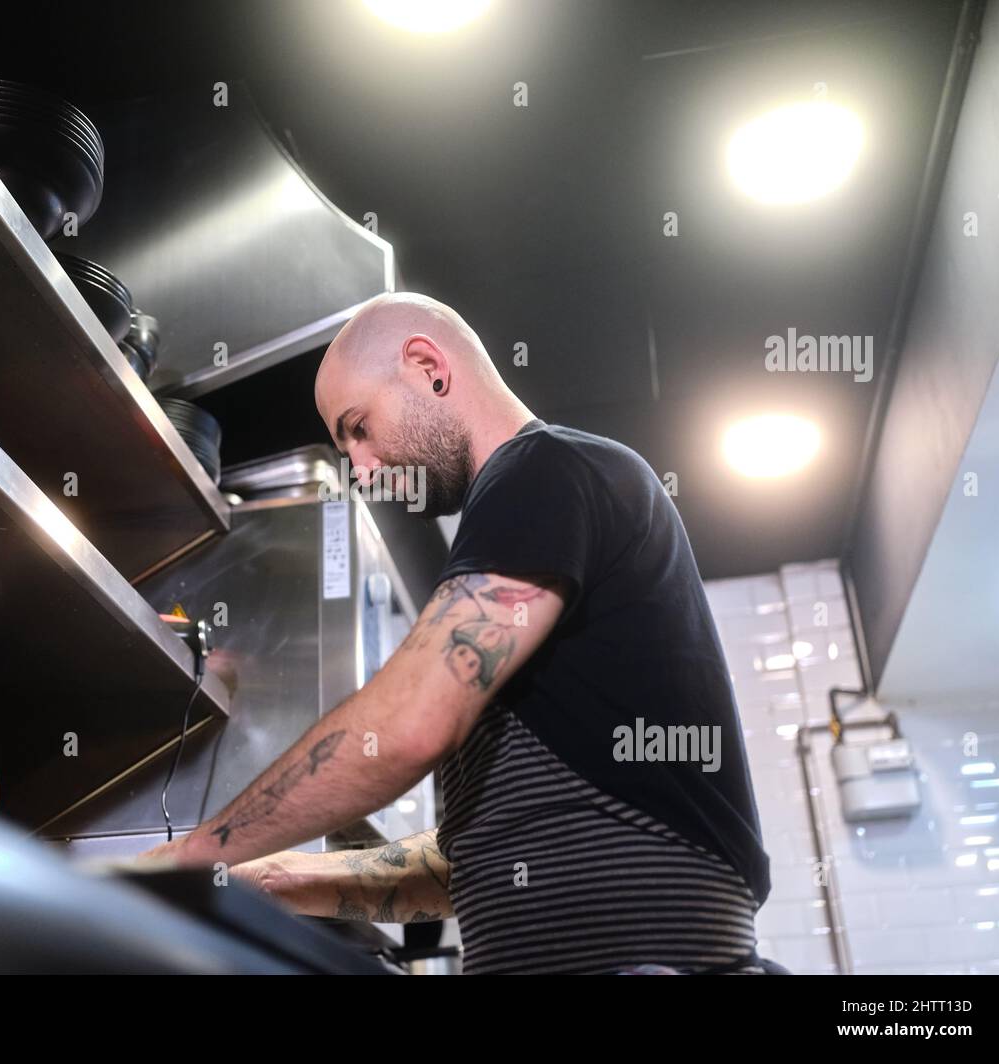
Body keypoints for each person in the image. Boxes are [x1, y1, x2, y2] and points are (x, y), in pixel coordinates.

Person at [142, 292, 773, 974]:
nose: (360, 468)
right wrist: (265, 880)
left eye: (358, 427)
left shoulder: (547, 469)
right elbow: (466, 862)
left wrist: (188, 857)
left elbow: (411, 724)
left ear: (427, 368)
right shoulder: (536, 537)